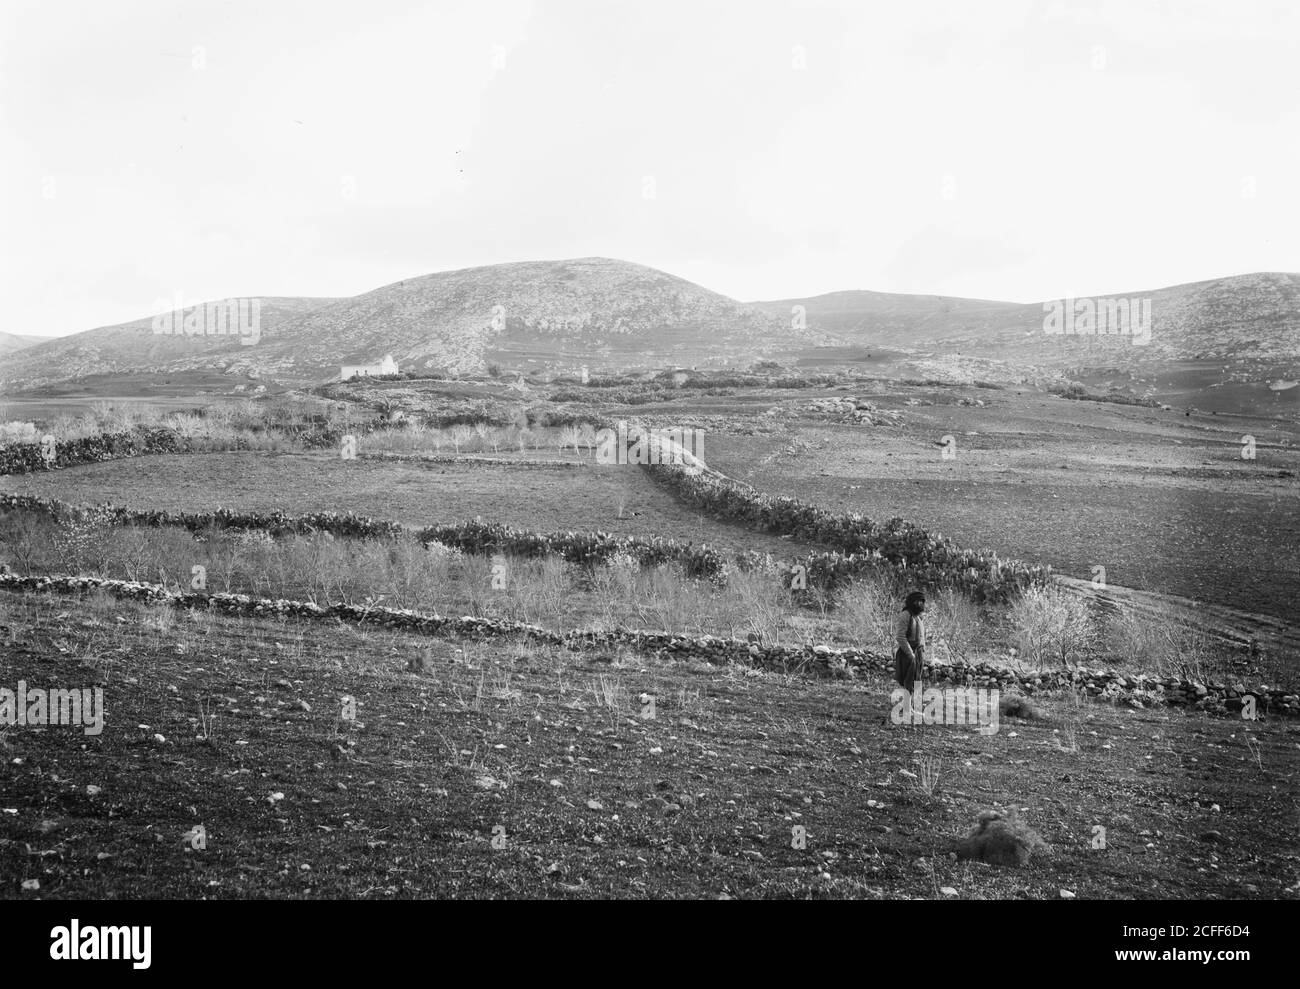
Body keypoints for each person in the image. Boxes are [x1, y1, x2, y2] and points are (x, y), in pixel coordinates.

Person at [894, 590, 927, 714]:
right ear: (912, 602)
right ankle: (907, 707)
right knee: (908, 680)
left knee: (916, 680)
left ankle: (911, 706)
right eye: (917, 601)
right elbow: (900, 636)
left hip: (918, 652)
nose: (920, 604)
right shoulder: (905, 615)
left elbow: (922, 636)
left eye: (921, 602)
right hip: (908, 652)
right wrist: (910, 653)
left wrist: (922, 650)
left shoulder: (918, 617)